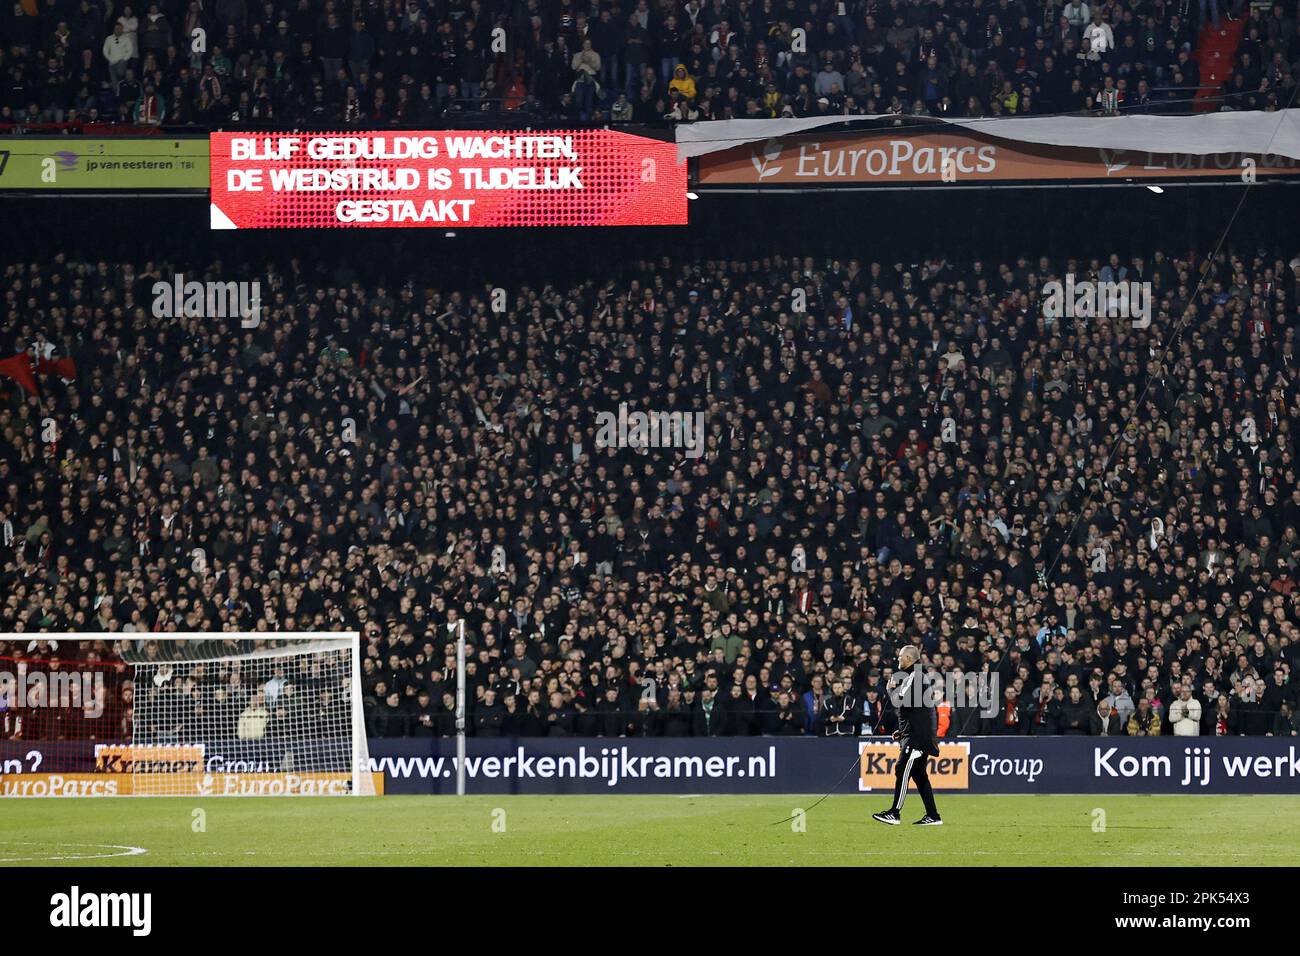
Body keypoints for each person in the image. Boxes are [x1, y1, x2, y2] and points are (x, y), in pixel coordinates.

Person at [872, 646, 942, 826]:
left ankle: (894, 813)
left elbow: (901, 702)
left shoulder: (915, 677)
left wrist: (890, 690)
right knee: (919, 775)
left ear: (909, 659)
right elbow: (916, 710)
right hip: (917, 733)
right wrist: (903, 730)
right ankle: (933, 815)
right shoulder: (918, 677)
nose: (898, 661)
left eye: (900, 657)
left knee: (902, 769)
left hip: (917, 737)